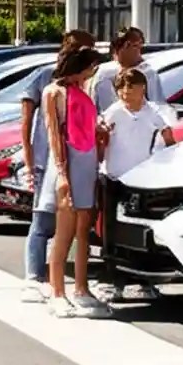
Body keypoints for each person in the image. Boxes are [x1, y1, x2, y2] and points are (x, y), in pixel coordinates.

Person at [19, 29, 95, 303]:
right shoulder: (46, 80)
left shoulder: (84, 81)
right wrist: (28, 158)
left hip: (76, 160)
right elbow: (27, 121)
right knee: (41, 221)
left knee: (70, 224)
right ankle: (34, 278)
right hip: (46, 159)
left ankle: (63, 280)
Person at [38, 46, 110, 318]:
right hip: (68, 164)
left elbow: (90, 130)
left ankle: (81, 287)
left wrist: (101, 135)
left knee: (83, 231)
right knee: (64, 232)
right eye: (91, 66)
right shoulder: (55, 92)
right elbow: (54, 134)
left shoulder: (84, 92)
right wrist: (61, 172)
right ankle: (57, 290)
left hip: (87, 163)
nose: (93, 71)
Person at [97, 67, 179, 303]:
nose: (125, 92)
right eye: (121, 88)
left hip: (139, 179)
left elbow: (168, 135)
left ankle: (141, 281)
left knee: (137, 231)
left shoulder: (152, 112)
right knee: (110, 231)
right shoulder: (113, 112)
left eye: (131, 87)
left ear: (143, 88)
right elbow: (101, 137)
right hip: (113, 177)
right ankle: (111, 279)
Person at [94, 26, 164, 112]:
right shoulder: (103, 72)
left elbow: (159, 108)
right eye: (135, 46)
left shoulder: (148, 74)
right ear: (119, 48)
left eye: (140, 46)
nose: (139, 52)